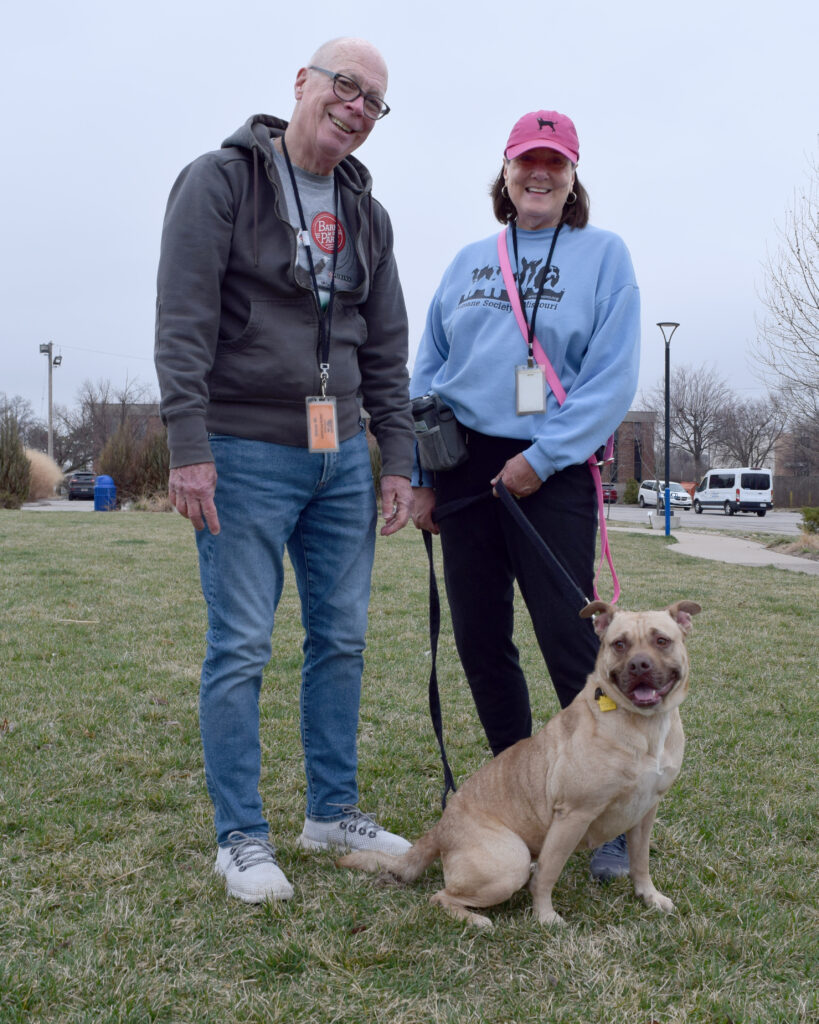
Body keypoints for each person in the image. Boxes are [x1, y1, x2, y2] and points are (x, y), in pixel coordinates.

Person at [155, 38, 415, 904]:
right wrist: (188, 448)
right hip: (239, 449)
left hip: (339, 456)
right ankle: (240, 836)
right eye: (346, 86)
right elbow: (182, 320)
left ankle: (331, 811)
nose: (357, 106)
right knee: (240, 646)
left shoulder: (366, 214)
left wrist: (396, 459)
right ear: (301, 83)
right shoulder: (220, 181)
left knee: (341, 638)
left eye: (374, 101)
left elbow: (385, 349)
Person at [409, 110, 640, 881]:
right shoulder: (470, 258)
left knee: (574, 641)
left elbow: (610, 378)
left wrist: (544, 457)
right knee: (480, 639)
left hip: (553, 466)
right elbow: (426, 368)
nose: (537, 175)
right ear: (503, 175)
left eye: (554, 163)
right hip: (464, 463)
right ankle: (521, 796)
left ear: (572, 178)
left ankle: (609, 814)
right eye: (524, 162)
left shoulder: (603, 256)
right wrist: (421, 473)